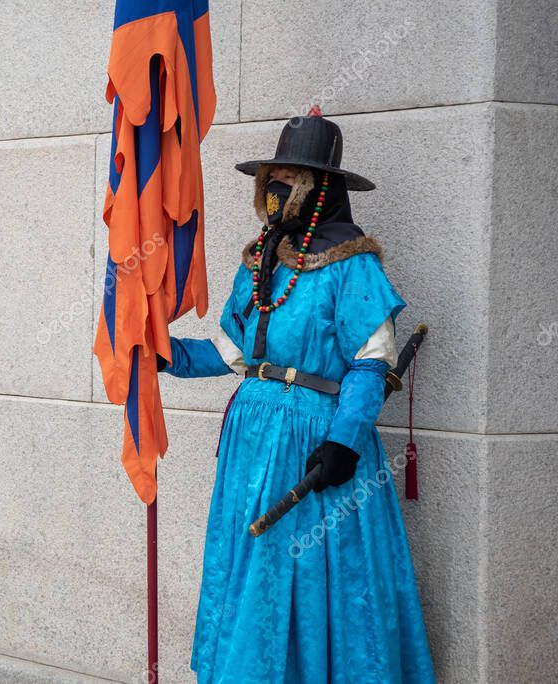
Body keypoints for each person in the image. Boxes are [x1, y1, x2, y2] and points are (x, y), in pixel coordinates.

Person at [160, 111, 436, 682]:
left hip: (317, 446)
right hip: (251, 444)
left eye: (290, 178)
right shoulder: (259, 263)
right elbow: (233, 352)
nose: (275, 189)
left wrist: (344, 443)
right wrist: (163, 355)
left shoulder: (353, 264)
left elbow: (370, 364)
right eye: (272, 178)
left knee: (312, 573)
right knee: (254, 572)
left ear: (320, 189)